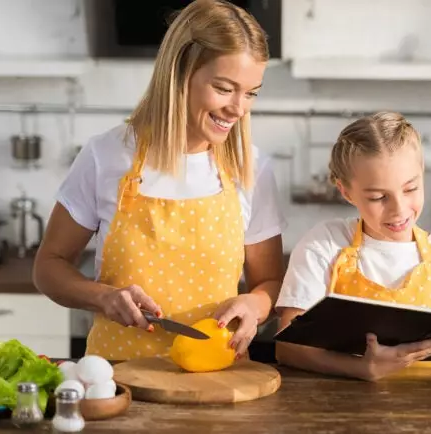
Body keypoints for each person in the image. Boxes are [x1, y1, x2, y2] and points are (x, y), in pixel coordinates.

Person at [33, 0, 286, 361]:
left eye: (251, 93)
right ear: (180, 72)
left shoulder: (251, 168)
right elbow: (49, 266)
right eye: (225, 88)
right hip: (117, 382)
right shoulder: (105, 155)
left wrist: (255, 306)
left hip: (216, 384)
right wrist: (102, 296)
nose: (238, 108)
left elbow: (270, 285)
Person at [275, 111, 431, 381]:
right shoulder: (324, 245)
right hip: (341, 417)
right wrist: (363, 368)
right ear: (346, 191)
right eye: (378, 197)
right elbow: (288, 347)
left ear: (422, 175)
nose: (399, 209)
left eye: (410, 189)